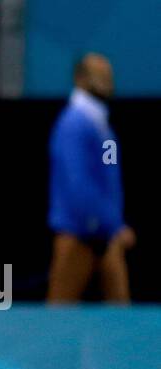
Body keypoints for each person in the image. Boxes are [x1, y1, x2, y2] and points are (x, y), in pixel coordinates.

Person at [47, 53, 133, 306]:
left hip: (106, 235)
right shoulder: (73, 124)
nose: (106, 79)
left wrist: (114, 224)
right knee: (60, 315)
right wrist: (104, 223)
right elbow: (78, 185)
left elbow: (109, 177)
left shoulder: (103, 128)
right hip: (78, 235)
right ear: (81, 79)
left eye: (108, 73)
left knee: (121, 316)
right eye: (98, 73)